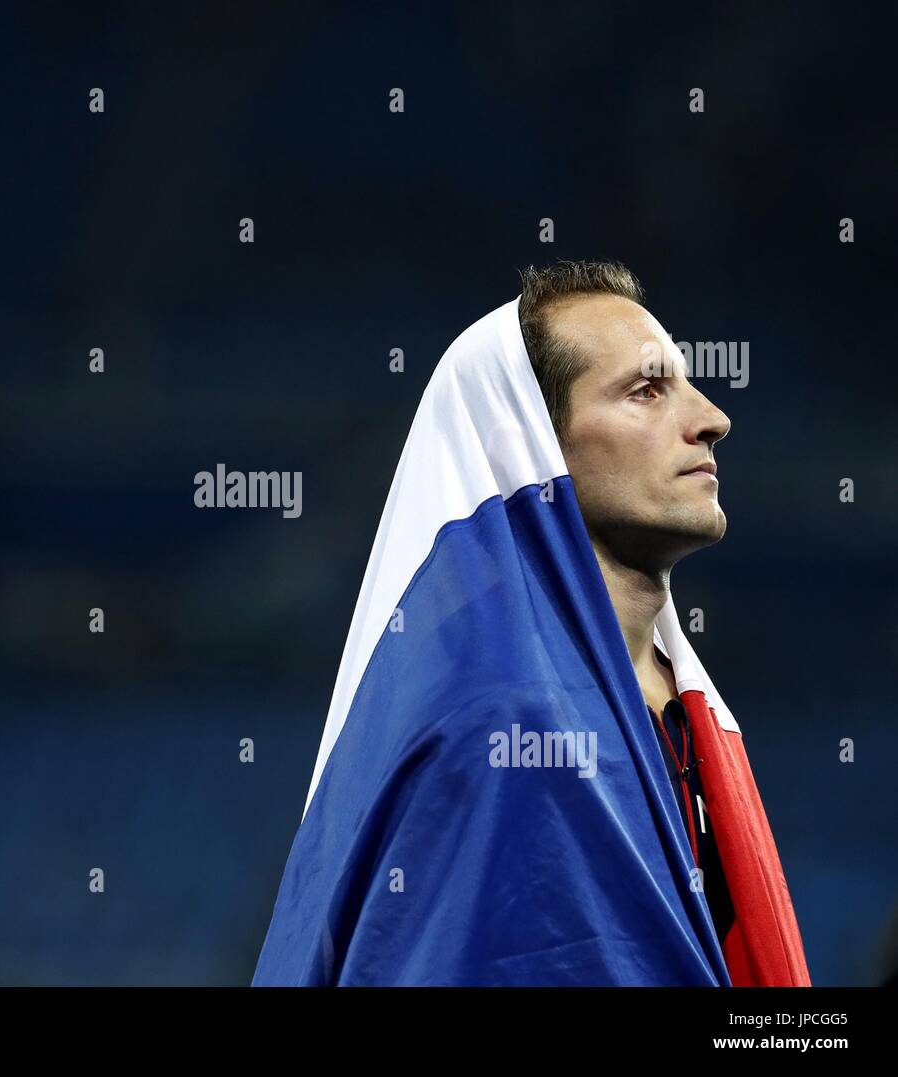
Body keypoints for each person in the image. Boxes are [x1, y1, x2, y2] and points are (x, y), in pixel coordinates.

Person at [251, 260, 810, 986]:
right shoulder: (496, 726)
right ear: (534, 448)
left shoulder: (694, 715)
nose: (712, 418)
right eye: (648, 390)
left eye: (690, 383)